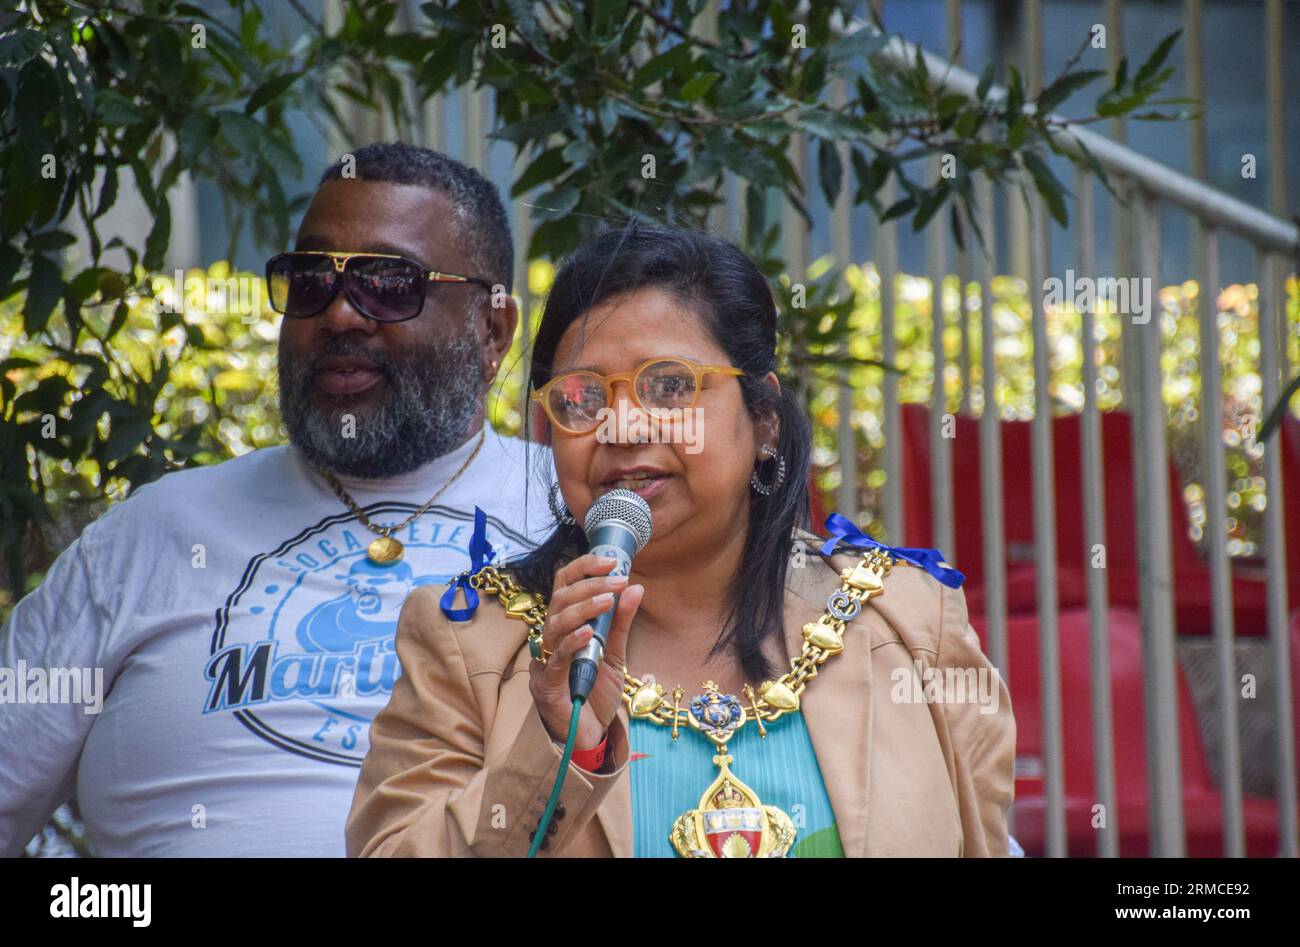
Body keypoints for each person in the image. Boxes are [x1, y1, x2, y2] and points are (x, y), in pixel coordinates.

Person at [346, 224, 1016, 858]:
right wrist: (551, 745)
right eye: (581, 397)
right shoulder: (468, 639)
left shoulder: (907, 617)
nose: (622, 425)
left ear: (764, 420)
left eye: (669, 387)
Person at [0, 142, 553, 857]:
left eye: (389, 283)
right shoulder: (150, 535)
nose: (341, 316)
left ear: (493, 329)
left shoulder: (573, 513)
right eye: (312, 279)